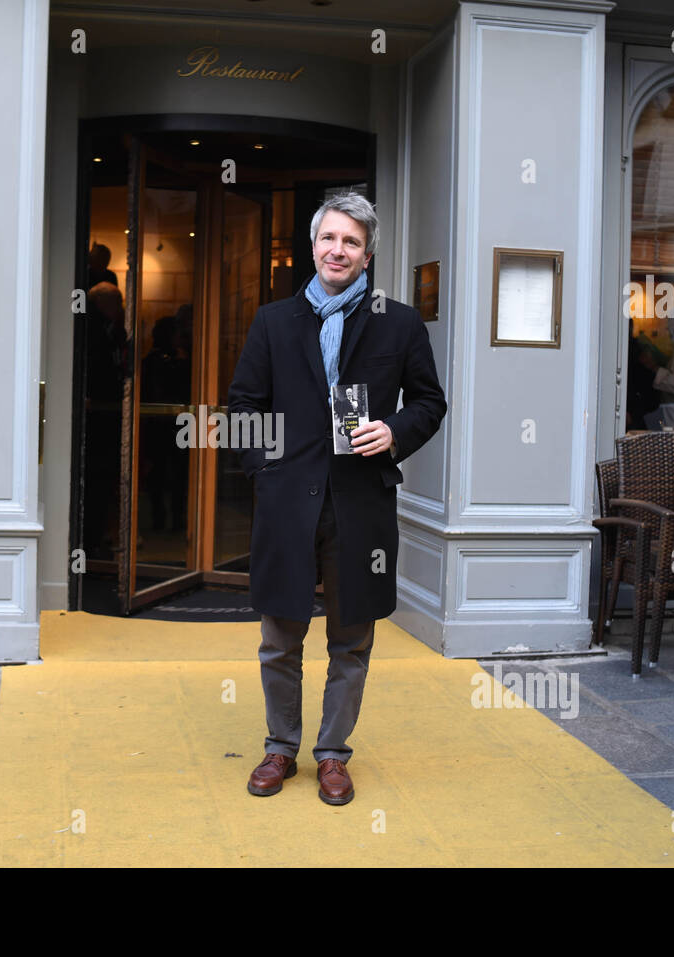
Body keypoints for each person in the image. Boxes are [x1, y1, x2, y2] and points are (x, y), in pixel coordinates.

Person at [226, 192, 447, 805]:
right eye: (330, 239)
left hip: (360, 503)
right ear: (314, 246)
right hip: (287, 505)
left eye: (351, 242)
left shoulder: (398, 322)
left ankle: (332, 754)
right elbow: (242, 407)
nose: (338, 250)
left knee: (351, 640)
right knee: (279, 637)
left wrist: (395, 432)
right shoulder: (274, 320)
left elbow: (431, 402)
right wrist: (266, 471)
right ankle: (279, 747)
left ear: (367, 253)